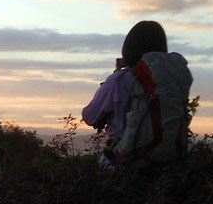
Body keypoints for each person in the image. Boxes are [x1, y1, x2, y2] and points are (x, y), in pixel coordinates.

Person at [81, 20, 191, 169]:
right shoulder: (171, 81)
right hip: (169, 167)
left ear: (128, 48)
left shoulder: (119, 80)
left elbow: (90, 116)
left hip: (122, 165)